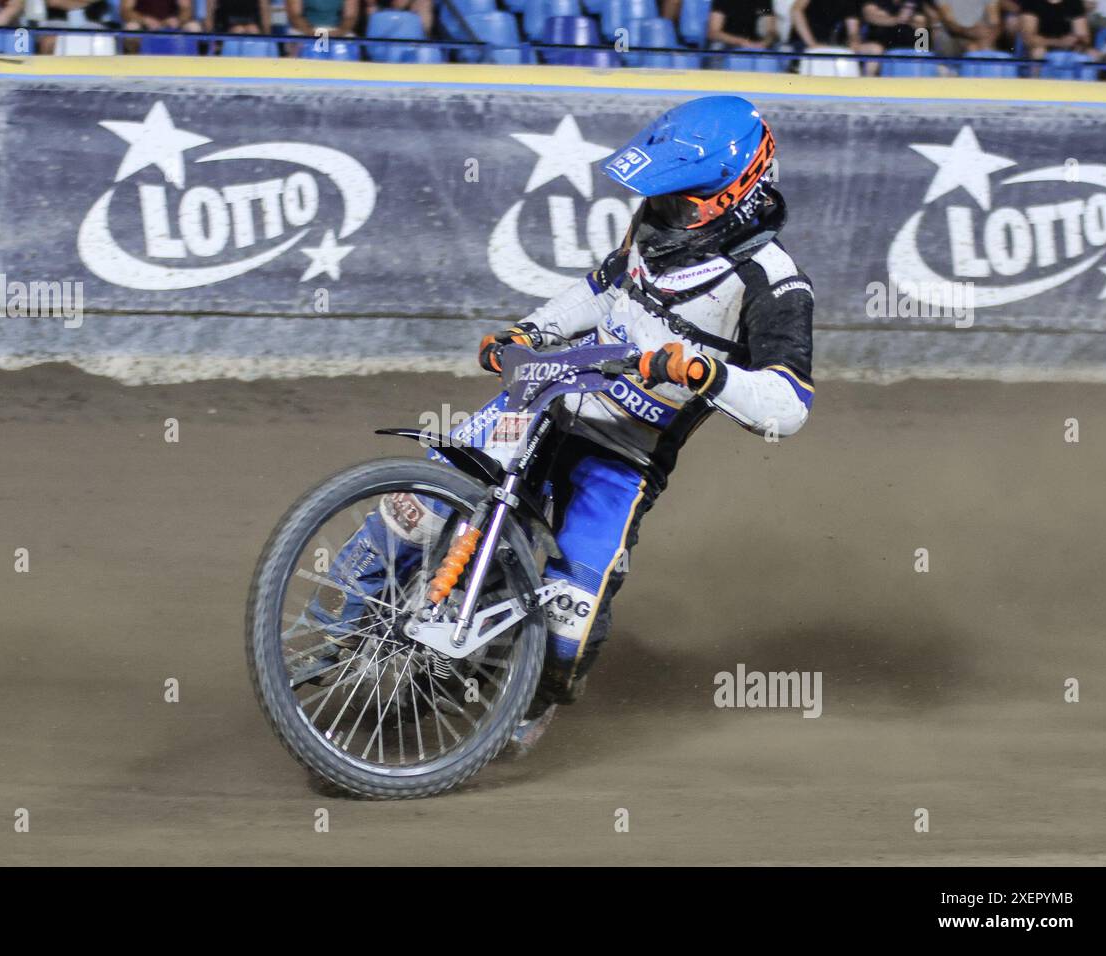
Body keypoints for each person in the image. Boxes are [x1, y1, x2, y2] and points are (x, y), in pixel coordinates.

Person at [312, 96, 814, 753]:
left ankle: (518, 696)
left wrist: (705, 374)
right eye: (658, 201)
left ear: (733, 195)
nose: (662, 214)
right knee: (420, 506)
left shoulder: (775, 284)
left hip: (625, 457)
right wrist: (531, 330)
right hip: (552, 394)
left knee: (567, 627)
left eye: (677, 202)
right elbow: (601, 287)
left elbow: (789, 406)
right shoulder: (655, 228)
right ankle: (335, 626)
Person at [1018, 0, 1093, 60]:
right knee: (1038, 52)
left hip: (1068, 50)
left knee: (1092, 54)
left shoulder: (1074, 2)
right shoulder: (1031, 2)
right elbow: (1028, 38)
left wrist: (1077, 40)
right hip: (1041, 48)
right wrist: (1059, 42)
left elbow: (1084, 36)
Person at [707, 0, 778, 48]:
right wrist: (741, 42)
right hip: (727, 43)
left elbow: (771, 31)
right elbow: (713, 32)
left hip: (755, 45)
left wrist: (764, 43)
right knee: (717, 47)